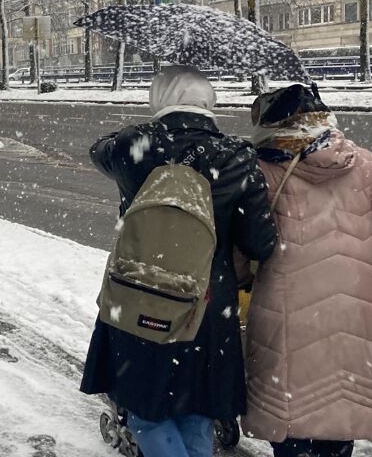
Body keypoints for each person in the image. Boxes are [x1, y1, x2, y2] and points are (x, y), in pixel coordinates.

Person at [82, 65, 278, 457]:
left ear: (158, 100)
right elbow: (262, 242)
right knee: (198, 410)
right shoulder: (238, 157)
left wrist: (133, 132)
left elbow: (97, 150)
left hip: (140, 295)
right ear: (209, 103)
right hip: (207, 304)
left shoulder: (132, 147)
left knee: (147, 410)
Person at [243, 84, 372, 457]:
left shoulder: (264, 169)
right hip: (358, 313)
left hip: (289, 316)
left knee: (292, 423)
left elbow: (245, 246)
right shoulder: (365, 163)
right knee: (341, 418)